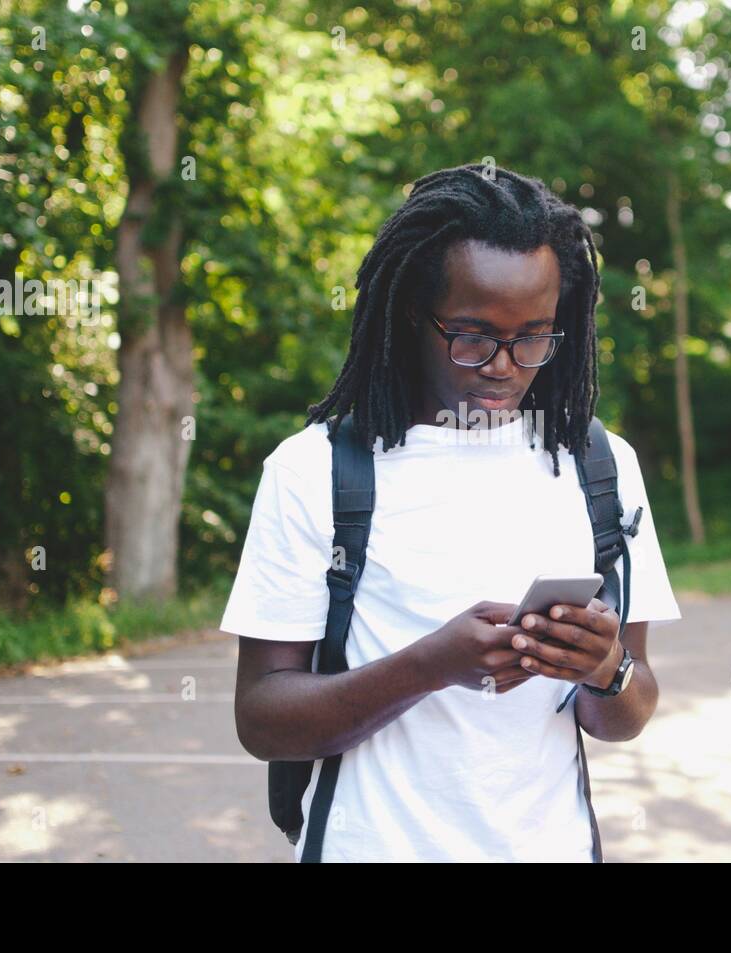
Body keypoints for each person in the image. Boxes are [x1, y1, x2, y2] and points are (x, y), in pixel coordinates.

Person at [222, 163, 681, 862]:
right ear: (412, 310)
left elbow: (628, 710)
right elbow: (262, 719)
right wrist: (430, 665)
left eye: (533, 336)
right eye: (471, 334)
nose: (502, 364)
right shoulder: (315, 469)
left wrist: (604, 666)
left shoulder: (599, 465)